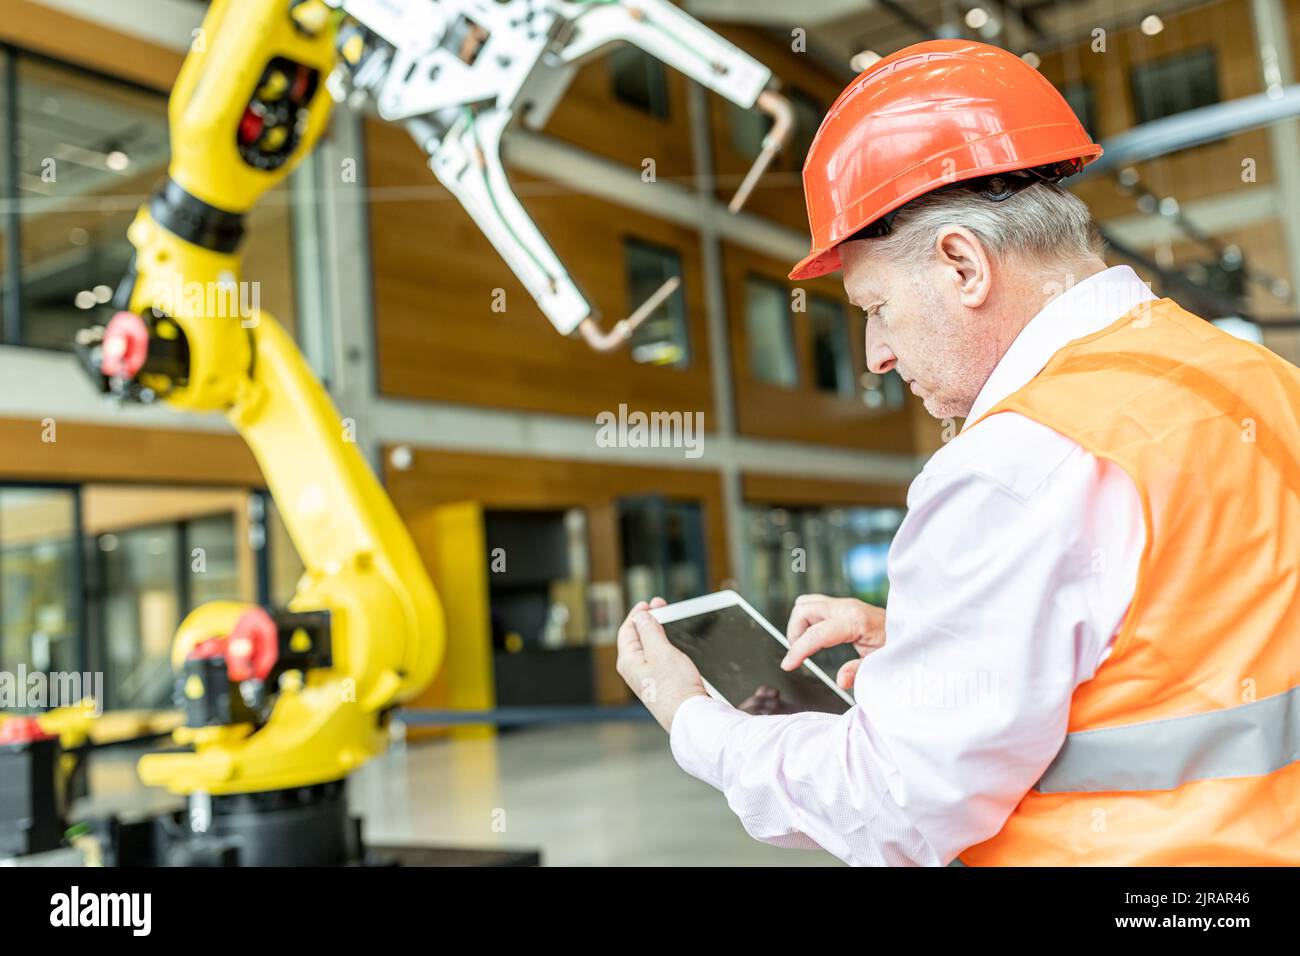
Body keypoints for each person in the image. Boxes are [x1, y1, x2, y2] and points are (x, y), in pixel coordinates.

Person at [615, 39, 1300, 866]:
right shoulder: (1257, 379)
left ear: (962, 265)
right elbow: (1196, 633)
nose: (874, 356)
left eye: (876, 307)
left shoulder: (1019, 461)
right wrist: (927, 639)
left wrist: (697, 720)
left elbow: (896, 804)